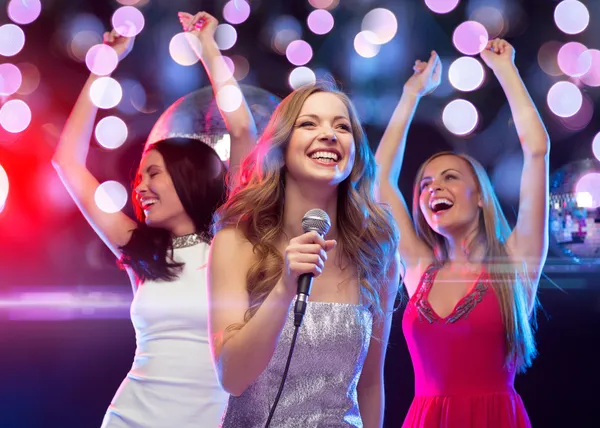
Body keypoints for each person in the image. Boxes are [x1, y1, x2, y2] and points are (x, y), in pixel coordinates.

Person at [52, 11, 257, 428]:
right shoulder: (141, 249)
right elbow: (67, 162)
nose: (140, 187)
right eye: (138, 176)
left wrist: (208, 49)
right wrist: (102, 68)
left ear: (189, 177)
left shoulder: (231, 236)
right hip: (131, 418)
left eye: (154, 173)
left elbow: (241, 129)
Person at [375, 39, 549, 427]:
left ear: (482, 197)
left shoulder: (514, 264)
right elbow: (380, 179)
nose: (433, 188)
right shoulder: (420, 269)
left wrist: (506, 69)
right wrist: (410, 94)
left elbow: (536, 150)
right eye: (424, 184)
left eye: (450, 178)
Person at [208, 81, 400, 427]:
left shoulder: (377, 247)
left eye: (342, 127)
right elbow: (232, 377)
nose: (329, 135)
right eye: (309, 123)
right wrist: (284, 288)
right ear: (280, 146)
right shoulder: (236, 240)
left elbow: (371, 384)